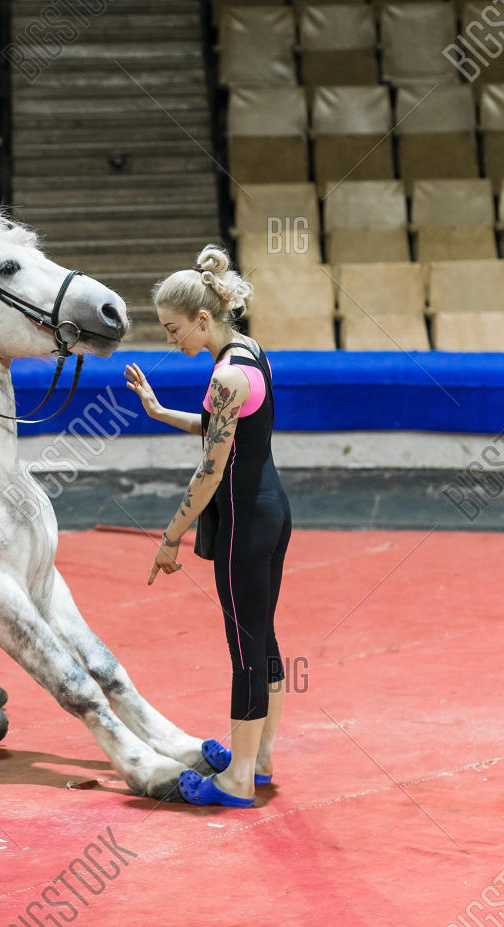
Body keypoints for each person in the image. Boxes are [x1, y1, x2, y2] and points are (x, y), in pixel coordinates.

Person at [123, 245, 292, 808]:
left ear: (202, 318)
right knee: (262, 639)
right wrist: (158, 411)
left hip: (245, 522)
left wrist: (170, 537)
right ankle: (259, 759)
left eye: (174, 330)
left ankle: (237, 780)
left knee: (245, 650)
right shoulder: (250, 354)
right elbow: (223, 428)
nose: (172, 341)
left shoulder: (224, 377)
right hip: (271, 510)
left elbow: (210, 470)